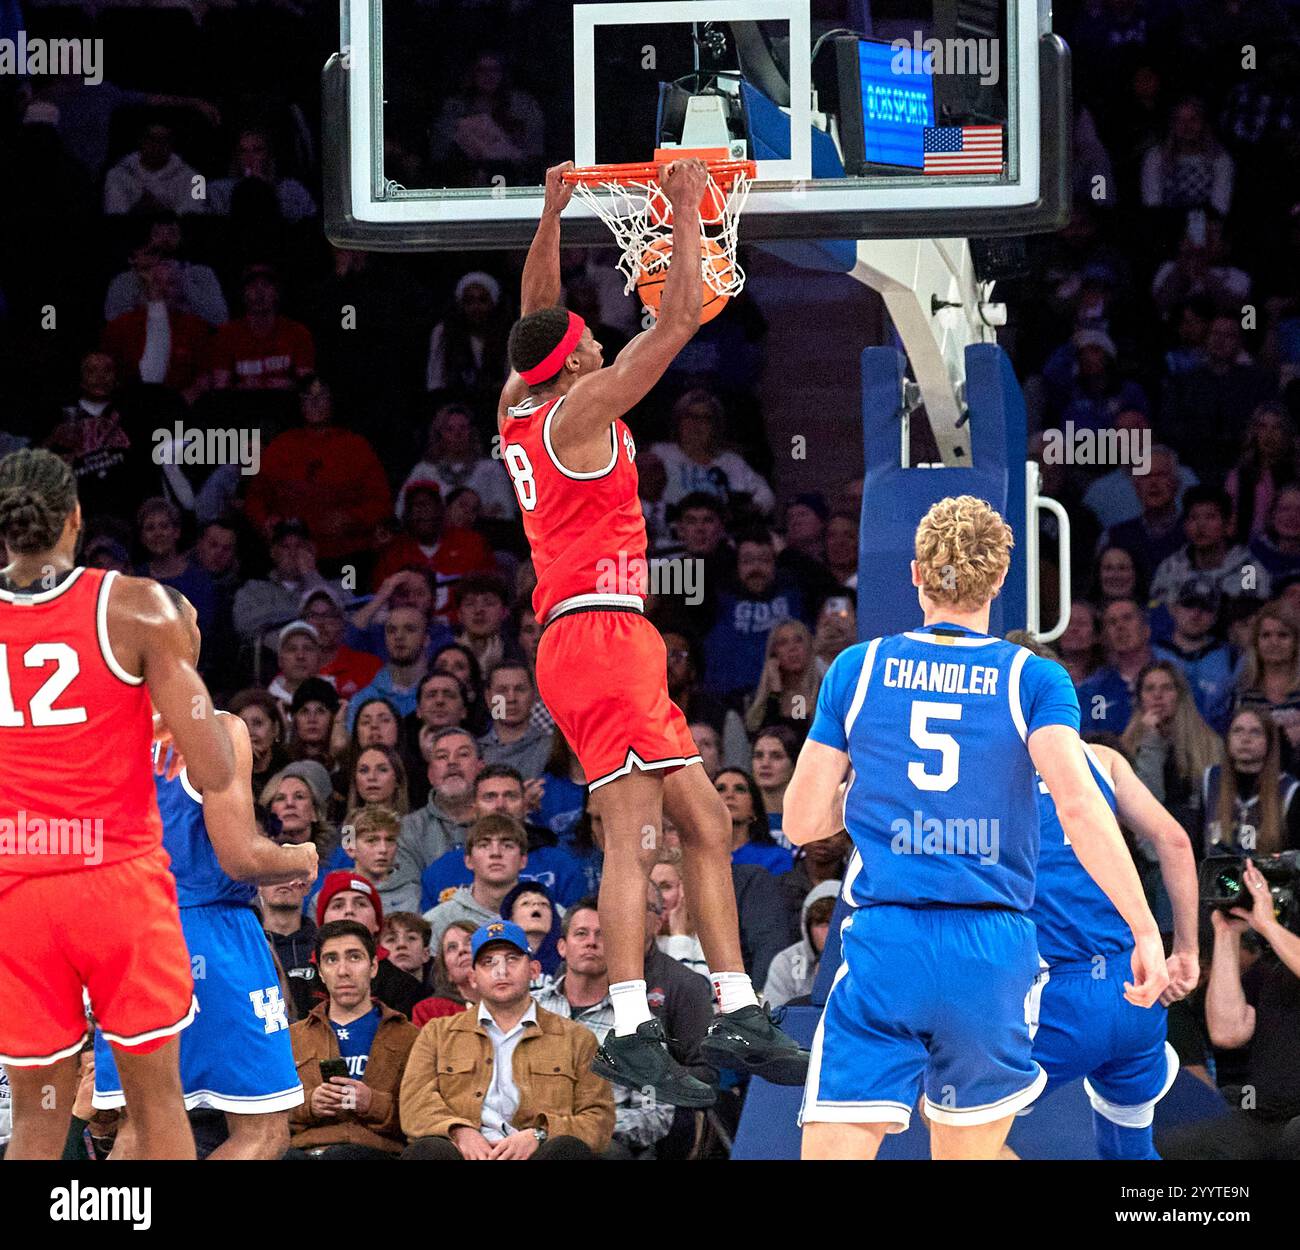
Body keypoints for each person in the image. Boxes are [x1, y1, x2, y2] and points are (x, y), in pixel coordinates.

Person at [496, 160, 805, 1103]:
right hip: (596, 636)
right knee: (632, 833)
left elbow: (535, 312)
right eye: (589, 338)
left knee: (706, 817)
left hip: (596, 637)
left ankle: (739, 1004)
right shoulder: (585, 408)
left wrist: (551, 214)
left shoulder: (520, 400)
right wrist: (684, 208)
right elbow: (674, 324)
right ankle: (628, 1023)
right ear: (581, 361)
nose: (594, 336)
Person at [784, 495, 1166, 1160]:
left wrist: (864, 793)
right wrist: (1144, 929)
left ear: (914, 575)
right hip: (993, 954)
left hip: (887, 940)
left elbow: (799, 823)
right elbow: (1079, 810)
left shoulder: (858, 668)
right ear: (999, 580)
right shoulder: (1035, 678)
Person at [0, 448, 238, 1160]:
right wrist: (155, 703)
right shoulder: (137, 605)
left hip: (17, 887)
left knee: (39, 1113)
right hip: (115, 882)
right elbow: (216, 766)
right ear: (76, 518)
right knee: (155, 1100)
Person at [91, 592, 317, 1159]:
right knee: (263, 1127)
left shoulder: (94, 736)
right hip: (205, 932)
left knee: (141, 1129)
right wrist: (301, 857)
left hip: (122, 940)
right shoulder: (215, 727)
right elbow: (240, 857)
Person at [1007, 635, 1200, 1161]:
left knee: (955, 1134)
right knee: (1130, 1153)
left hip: (1054, 996)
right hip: (1135, 983)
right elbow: (1175, 841)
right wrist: (1185, 951)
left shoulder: (991, 774)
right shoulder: (1104, 759)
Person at [399, 921, 614, 1160]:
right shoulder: (437, 1033)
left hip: (538, 1153)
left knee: (567, 1150)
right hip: (464, 1153)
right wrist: (458, 1131)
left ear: (533, 970)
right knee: (427, 1151)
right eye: (488, 962)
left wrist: (540, 1135)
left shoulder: (577, 1038)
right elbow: (413, 1104)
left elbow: (599, 1119)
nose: (500, 971)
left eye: (512, 959)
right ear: (472, 977)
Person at [1157, 861, 1300, 1160]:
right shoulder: (1277, 970)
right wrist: (1226, 933)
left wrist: (1269, 926)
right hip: (1261, 1116)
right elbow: (1228, 1032)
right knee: (1169, 1145)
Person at [535, 901, 675, 1158]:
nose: (591, 942)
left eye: (602, 935)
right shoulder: (530, 1009)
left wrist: (586, 1128)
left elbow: (655, 1114)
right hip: (528, 1132)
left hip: (603, 1144)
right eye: (581, 933)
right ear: (562, 947)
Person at [286, 920, 420, 1158]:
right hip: (303, 1152)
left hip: (373, 1152)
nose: (343, 970)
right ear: (321, 973)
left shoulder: (409, 1036)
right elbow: (268, 1114)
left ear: (374, 967)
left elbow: (421, 1117)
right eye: (331, 959)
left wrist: (372, 1103)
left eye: (354, 957)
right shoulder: (293, 1037)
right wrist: (310, 1105)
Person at [244, 375, 392, 565]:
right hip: (290, 559)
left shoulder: (356, 446)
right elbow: (255, 499)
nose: (314, 403)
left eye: (321, 396)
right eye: (307, 397)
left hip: (346, 556)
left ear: (332, 401)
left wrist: (351, 519)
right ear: (299, 403)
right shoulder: (281, 446)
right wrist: (265, 523)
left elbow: (382, 504)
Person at [310, 873, 425, 1019]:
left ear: (377, 923)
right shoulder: (299, 980)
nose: (349, 910)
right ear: (322, 921)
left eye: (360, 904)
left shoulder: (405, 987)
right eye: (338, 905)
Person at [1202, 708, 1300, 856]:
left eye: (1255, 732)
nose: (1245, 739)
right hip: (1219, 877)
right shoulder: (1210, 780)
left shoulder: (1289, 790)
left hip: (1266, 877)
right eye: (1237, 731)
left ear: (1270, 741)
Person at [423, 813, 531, 944]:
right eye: (484, 845)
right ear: (468, 861)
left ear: (523, 860)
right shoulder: (438, 921)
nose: (495, 853)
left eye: (507, 845)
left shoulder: (550, 915)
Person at [1152, 575, 1236, 732]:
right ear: (1173, 608)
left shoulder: (1233, 658)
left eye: (1205, 607)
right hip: (1161, 738)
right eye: (1189, 605)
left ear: (1215, 615)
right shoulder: (1151, 653)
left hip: (1212, 745)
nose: (1196, 614)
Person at [763, 881, 841, 1010]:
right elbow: (771, 1020)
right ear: (807, 927)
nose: (830, 932)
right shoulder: (786, 962)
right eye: (822, 923)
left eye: (835, 922)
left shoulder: (866, 961)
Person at [477, 660, 552, 779]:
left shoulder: (552, 751)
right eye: (502, 690)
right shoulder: (473, 751)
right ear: (488, 697)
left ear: (534, 695)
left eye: (520, 689)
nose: (511, 698)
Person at [715, 769, 793, 875]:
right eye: (720, 789)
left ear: (754, 809)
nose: (729, 795)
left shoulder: (777, 858)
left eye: (740, 789)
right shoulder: (696, 855)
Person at [411, 920, 480, 1025]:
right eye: (452, 947)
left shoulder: (509, 1001)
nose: (462, 949)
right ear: (447, 973)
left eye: (470, 941)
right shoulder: (429, 1011)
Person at [380, 913, 435, 994]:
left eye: (411, 938)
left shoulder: (448, 986)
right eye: (391, 939)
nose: (401, 944)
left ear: (425, 954)